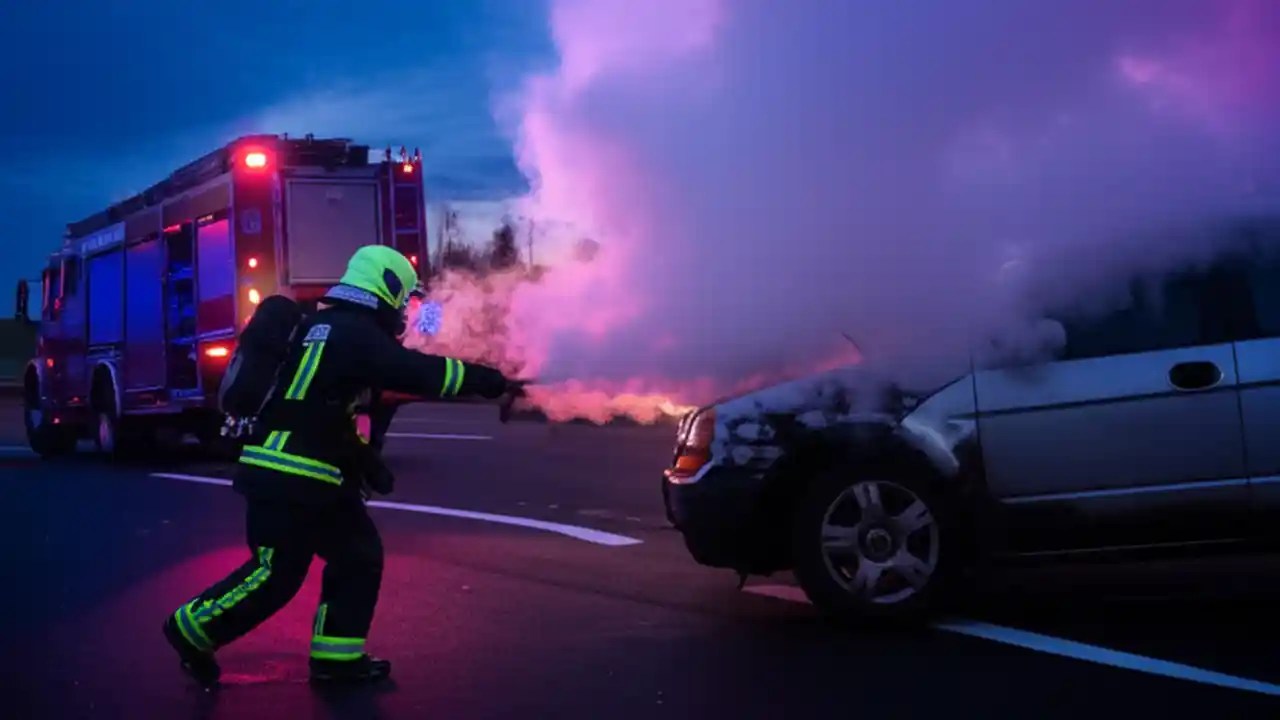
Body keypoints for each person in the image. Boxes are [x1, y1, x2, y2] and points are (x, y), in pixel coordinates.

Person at [162, 245, 516, 687]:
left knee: (358, 554)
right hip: (291, 474)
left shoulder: (321, 326)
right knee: (277, 574)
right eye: (404, 299)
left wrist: (364, 463)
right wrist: (491, 381)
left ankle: (337, 658)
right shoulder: (356, 334)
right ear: (386, 290)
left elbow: (330, 408)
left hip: (312, 477)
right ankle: (190, 627)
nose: (406, 313)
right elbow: (420, 373)